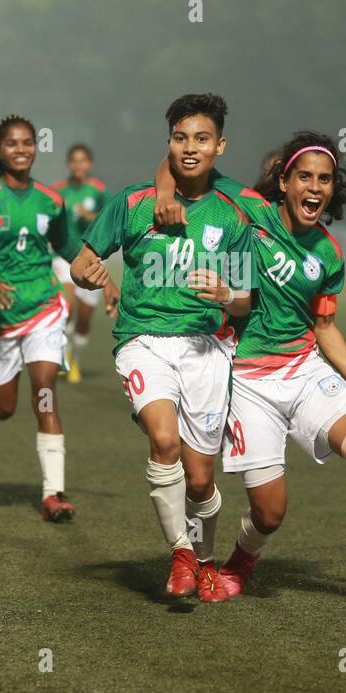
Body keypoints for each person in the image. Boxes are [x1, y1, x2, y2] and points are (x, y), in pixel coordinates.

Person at [153, 130, 346, 617]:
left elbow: (324, 324)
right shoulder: (250, 212)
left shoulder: (328, 252)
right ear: (283, 181)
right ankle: (243, 560)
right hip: (248, 383)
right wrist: (164, 194)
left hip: (305, 369)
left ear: (334, 189)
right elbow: (183, 163)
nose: (315, 187)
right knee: (270, 512)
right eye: (304, 176)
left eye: (324, 179)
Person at [71, 93, 257, 602]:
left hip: (207, 348)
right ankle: (179, 551)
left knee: (200, 480)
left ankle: (205, 559)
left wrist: (226, 295)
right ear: (168, 143)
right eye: (180, 138)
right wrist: (89, 276)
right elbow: (81, 264)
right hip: (143, 342)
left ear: (220, 145)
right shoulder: (132, 203)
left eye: (201, 139)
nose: (190, 148)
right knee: (163, 441)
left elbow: (243, 304)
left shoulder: (234, 215)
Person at [0, 115, 87, 523]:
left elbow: (67, 244)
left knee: (44, 388)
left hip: (43, 306)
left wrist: (101, 280)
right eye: (12, 144)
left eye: (28, 142)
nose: (22, 149)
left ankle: (54, 493)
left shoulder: (51, 200)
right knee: (4, 409)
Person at [51, 144, 109, 382]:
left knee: (84, 318)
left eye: (83, 160)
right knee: (68, 305)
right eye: (74, 160)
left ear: (90, 164)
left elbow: (110, 221)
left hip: (92, 258)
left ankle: (75, 358)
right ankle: (63, 353)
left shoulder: (98, 190)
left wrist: (90, 217)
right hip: (64, 257)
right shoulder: (57, 191)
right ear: (68, 163)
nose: (78, 165)